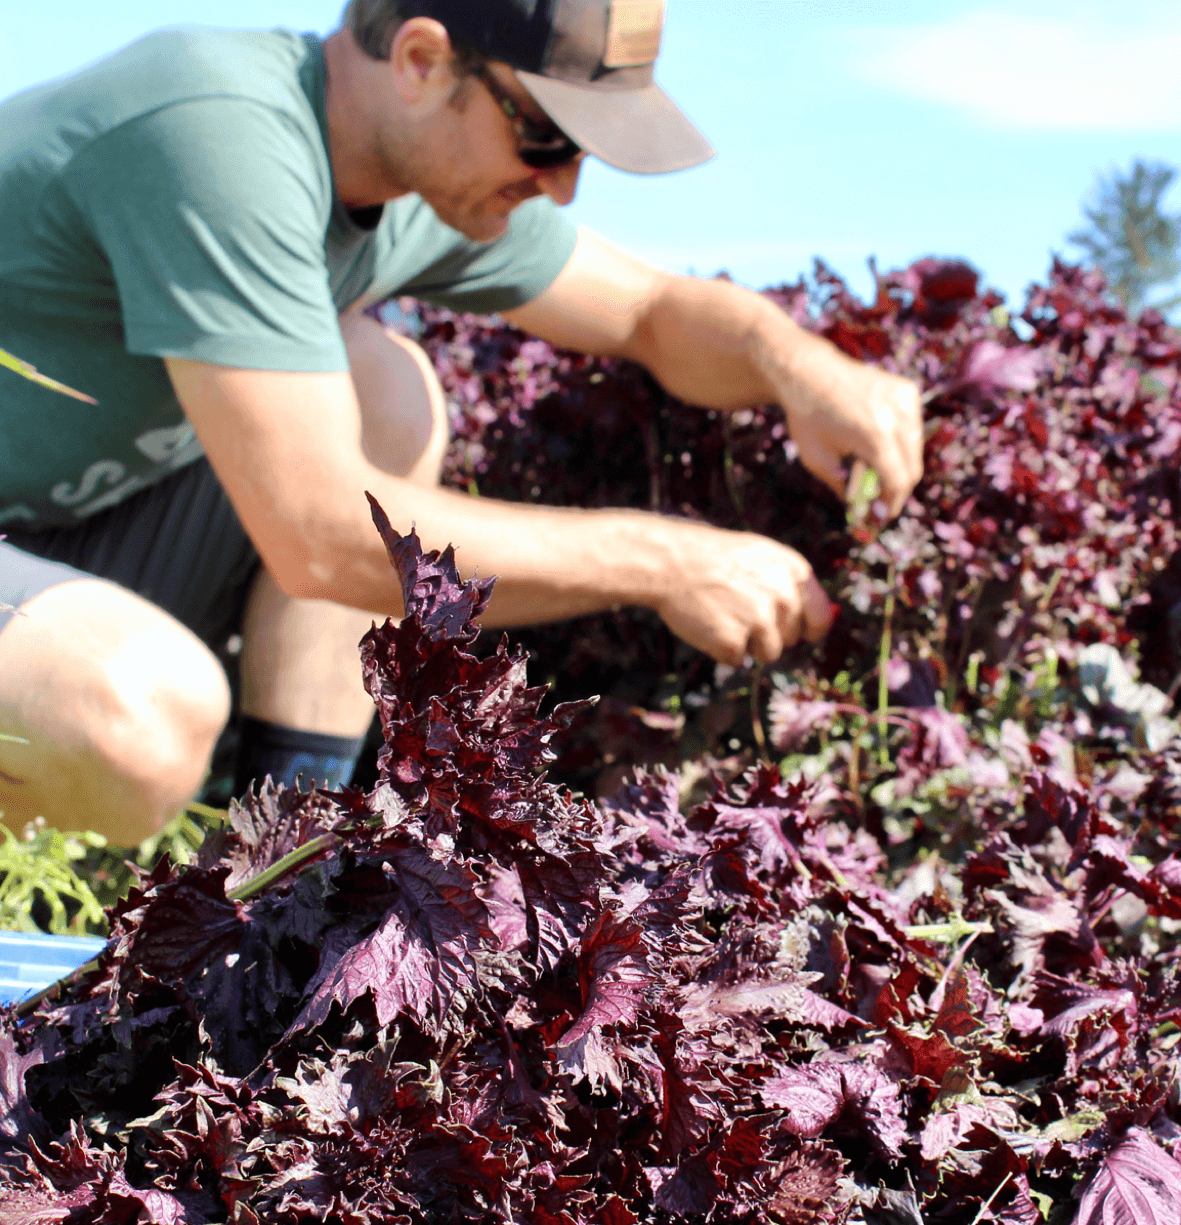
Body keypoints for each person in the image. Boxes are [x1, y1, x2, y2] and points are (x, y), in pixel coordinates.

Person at [0, 0, 923, 847]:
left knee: (384, 386)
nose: (561, 186)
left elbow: (647, 312)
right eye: (547, 135)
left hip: (47, 526)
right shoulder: (214, 131)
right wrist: (668, 560)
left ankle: (281, 867)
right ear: (421, 60)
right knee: (140, 719)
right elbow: (321, 537)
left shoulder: (411, 179)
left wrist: (796, 363)